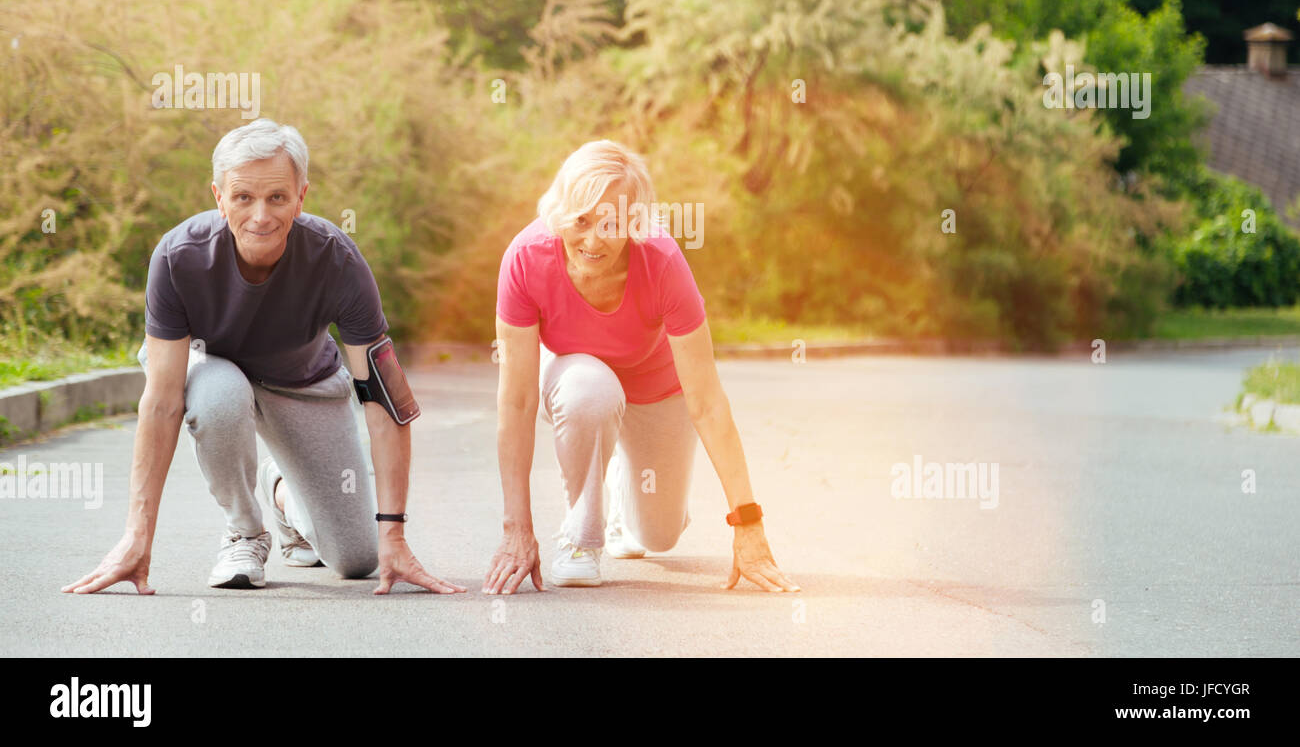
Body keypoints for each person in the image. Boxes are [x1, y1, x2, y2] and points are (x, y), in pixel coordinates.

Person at [62, 119, 464, 596]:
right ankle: (245, 531)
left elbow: (384, 398)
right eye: (242, 197)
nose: (260, 216)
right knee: (221, 394)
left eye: (277, 197)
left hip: (303, 382)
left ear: (301, 196)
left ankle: (281, 492)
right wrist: (136, 537)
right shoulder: (177, 256)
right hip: (209, 373)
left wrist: (393, 533)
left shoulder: (338, 259)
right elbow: (163, 400)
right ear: (218, 196)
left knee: (359, 559)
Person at [483, 139, 800, 593]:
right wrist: (517, 531)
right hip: (580, 378)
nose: (593, 240)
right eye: (582, 220)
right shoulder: (525, 258)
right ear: (560, 209)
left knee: (659, 535)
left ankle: (621, 489)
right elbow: (516, 401)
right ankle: (579, 538)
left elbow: (707, 402)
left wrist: (748, 526)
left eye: (611, 224)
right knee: (589, 394)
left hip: (656, 386)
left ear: (635, 223)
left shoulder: (663, 261)